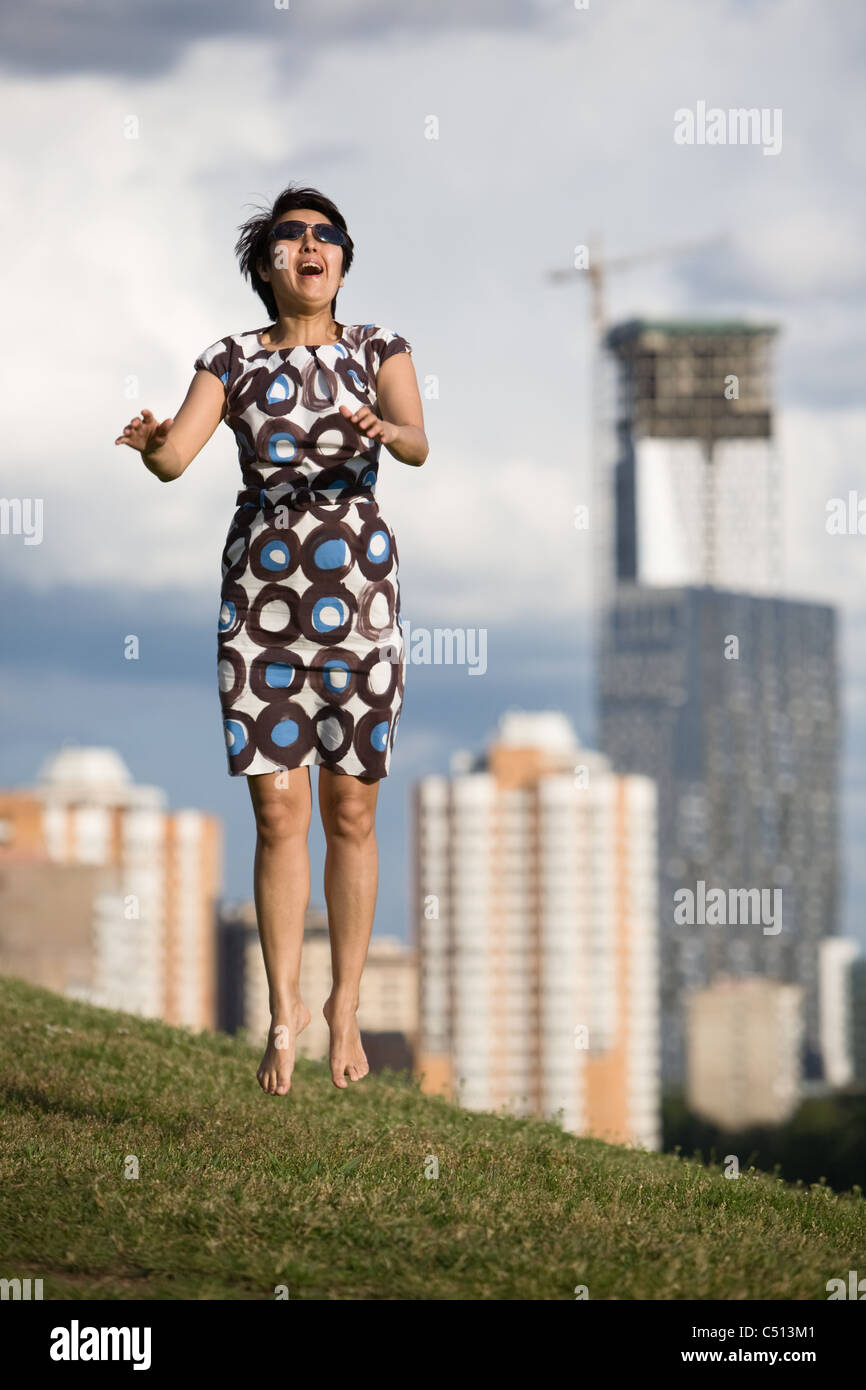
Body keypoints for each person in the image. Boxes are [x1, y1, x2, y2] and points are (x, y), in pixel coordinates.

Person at [115, 183, 428, 1097]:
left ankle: (346, 1005)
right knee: (279, 813)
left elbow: (415, 443)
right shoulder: (231, 358)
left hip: (360, 599)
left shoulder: (381, 350)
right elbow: (178, 459)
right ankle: (283, 1015)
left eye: (325, 235)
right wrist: (150, 444)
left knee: (352, 810)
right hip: (260, 605)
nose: (309, 246)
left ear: (342, 259)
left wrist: (384, 424)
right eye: (290, 237)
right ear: (266, 265)